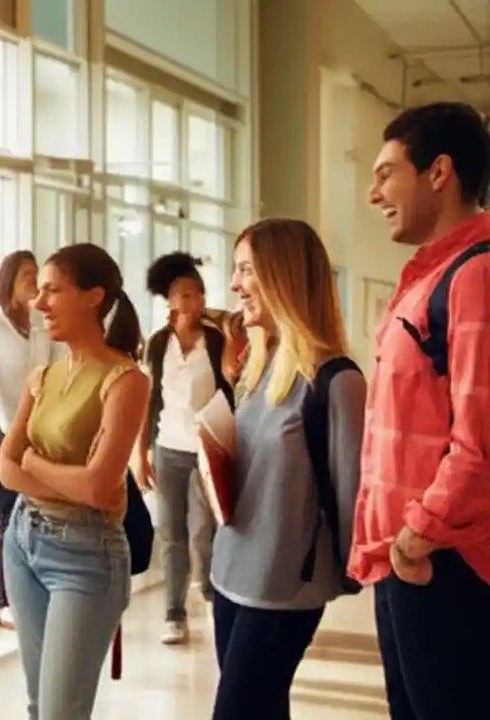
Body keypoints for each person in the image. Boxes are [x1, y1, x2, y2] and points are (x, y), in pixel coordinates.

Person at [353, 101, 490, 719]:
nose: (372, 192)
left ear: (439, 172)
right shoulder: (426, 278)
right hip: (404, 557)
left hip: (444, 561)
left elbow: (480, 443)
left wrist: (415, 537)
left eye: (386, 173)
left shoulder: (476, 274)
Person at [212, 218, 366, 720]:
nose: (234, 285)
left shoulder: (335, 381)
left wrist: (346, 575)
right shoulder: (257, 370)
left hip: (284, 588)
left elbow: (351, 498)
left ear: (283, 276)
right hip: (231, 572)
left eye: (246, 270)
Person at [0, 243, 148, 720]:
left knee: (62, 711)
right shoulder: (42, 374)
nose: (38, 303)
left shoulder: (126, 379)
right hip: (22, 541)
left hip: (86, 555)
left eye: (52, 290)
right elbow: (5, 467)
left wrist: (36, 465)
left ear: (92, 297)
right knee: (40, 706)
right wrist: (63, 475)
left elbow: (99, 488)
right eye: (38, 291)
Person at [136, 251, 233, 645]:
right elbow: (146, 402)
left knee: (203, 530)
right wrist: (139, 454)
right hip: (167, 447)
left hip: (206, 448)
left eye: (195, 293)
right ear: (169, 300)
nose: (189, 300)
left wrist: (219, 320)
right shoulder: (158, 345)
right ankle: (173, 613)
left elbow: (230, 380)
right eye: (181, 293)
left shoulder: (216, 340)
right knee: (171, 532)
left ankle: (209, 592)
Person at [0, 250, 52, 628]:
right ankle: (0, 598)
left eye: (36, 274)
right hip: (0, 432)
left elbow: (50, 371)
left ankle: (30, 587)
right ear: (8, 282)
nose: (34, 282)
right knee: (1, 513)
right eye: (26, 276)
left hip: (37, 428)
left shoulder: (40, 321)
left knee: (35, 509)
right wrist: (9, 436)